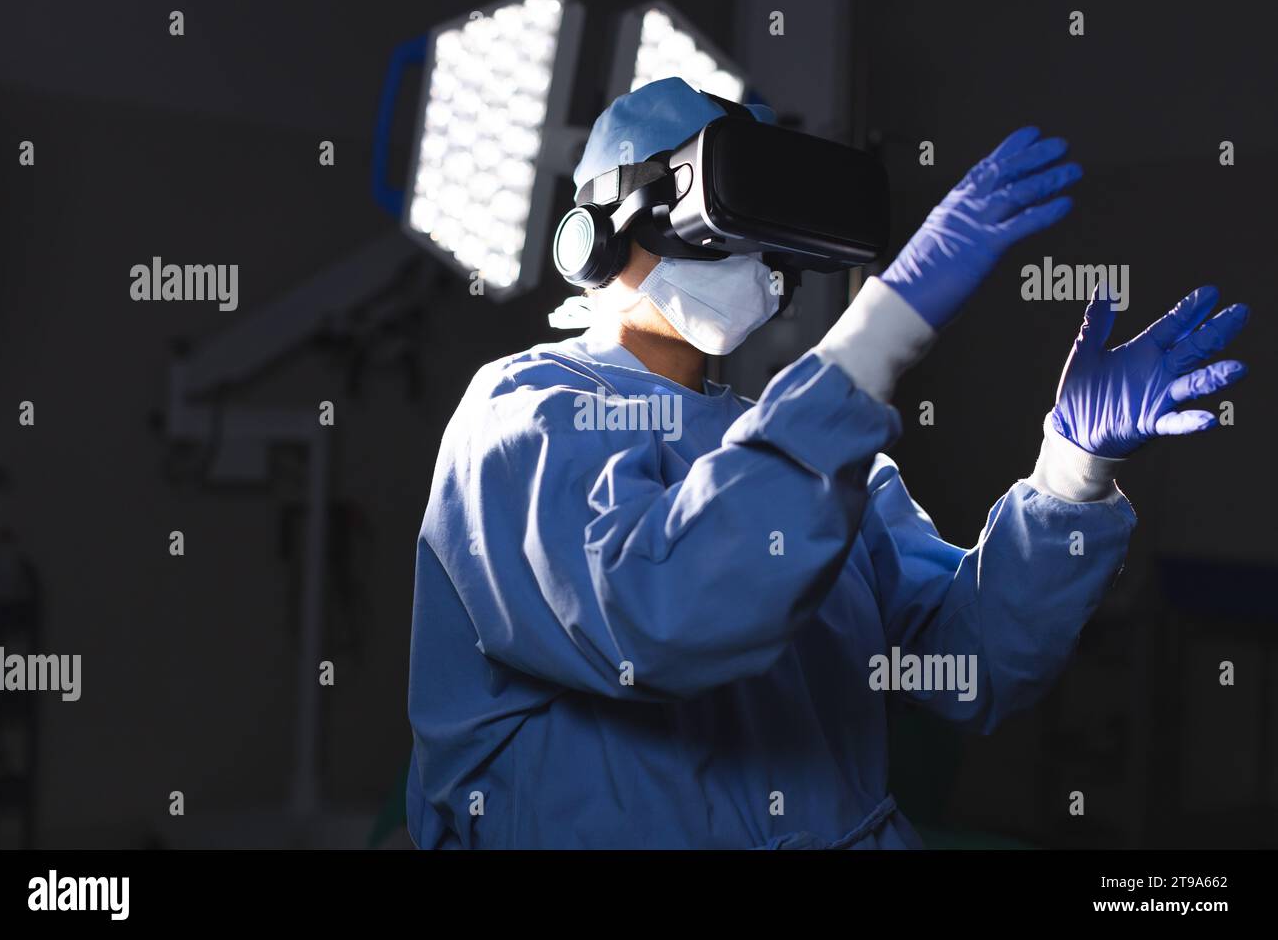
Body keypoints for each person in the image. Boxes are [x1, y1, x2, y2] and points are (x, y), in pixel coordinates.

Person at [405, 78, 1249, 848]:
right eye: (736, 214)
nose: (764, 260)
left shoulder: (819, 457)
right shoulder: (522, 415)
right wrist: (879, 334)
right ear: (600, 233)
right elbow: (661, 615)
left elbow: (972, 663)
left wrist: (1072, 468)